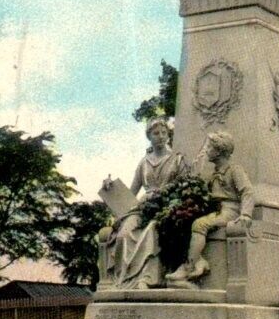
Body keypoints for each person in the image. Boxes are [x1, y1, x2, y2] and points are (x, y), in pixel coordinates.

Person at [99, 117, 187, 288]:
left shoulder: (177, 159)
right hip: (143, 206)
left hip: (167, 207)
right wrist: (110, 187)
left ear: (168, 135)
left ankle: (147, 279)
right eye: (156, 133)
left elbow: (183, 187)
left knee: (151, 230)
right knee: (123, 234)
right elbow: (132, 191)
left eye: (164, 133)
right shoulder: (144, 162)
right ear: (149, 137)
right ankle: (125, 280)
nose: (160, 136)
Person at [166, 130, 254, 283]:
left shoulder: (234, 170)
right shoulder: (214, 172)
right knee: (183, 220)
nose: (206, 150)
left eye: (210, 147)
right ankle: (199, 261)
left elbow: (247, 191)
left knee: (200, 224)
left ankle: (189, 267)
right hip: (217, 209)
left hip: (230, 210)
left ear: (219, 151)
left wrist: (246, 214)